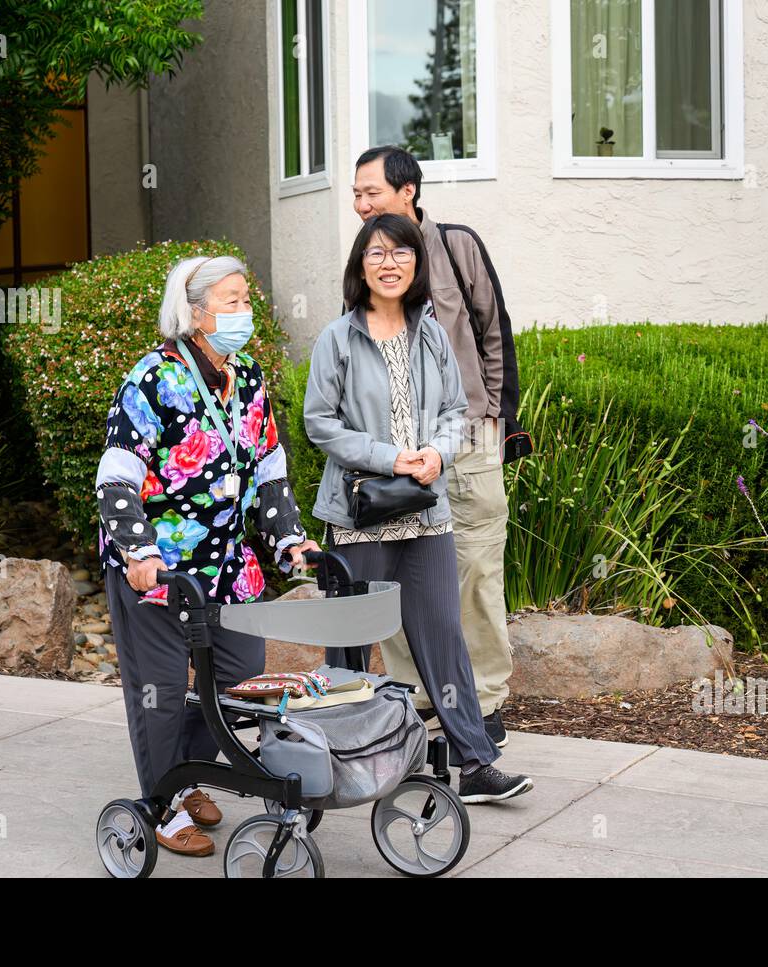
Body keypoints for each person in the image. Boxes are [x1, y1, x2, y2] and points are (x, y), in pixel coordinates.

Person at [302, 214, 533, 804]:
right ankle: (337, 760)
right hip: (362, 515)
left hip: (426, 512)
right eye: (376, 253)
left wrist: (437, 452)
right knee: (350, 642)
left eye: (401, 252)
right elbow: (318, 422)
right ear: (360, 266)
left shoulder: (431, 332)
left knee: (443, 635)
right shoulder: (338, 337)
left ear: (415, 263)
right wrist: (390, 457)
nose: (390, 263)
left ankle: (477, 762)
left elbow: (458, 411)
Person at [96, 255, 320, 857]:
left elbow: (270, 473)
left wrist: (290, 542)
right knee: (162, 691)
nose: (244, 311)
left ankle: (188, 772)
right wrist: (138, 550)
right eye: (231, 299)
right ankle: (162, 807)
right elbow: (116, 479)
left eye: (247, 299)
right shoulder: (152, 379)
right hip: (160, 569)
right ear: (195, 312)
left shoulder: (246, 376)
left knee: (240, 679)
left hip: (227, 563)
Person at [350, 145, 529, 748]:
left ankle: (484, 703)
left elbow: (494, 332)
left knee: (476, 571)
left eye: (370, 192)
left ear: (408, 192)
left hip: (468, 443)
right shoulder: (366, 262)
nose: (361, 205)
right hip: (397, 455)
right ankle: (418, 702)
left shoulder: (457, 246)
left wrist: (495, 422)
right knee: (400, 575)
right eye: (356, 195)